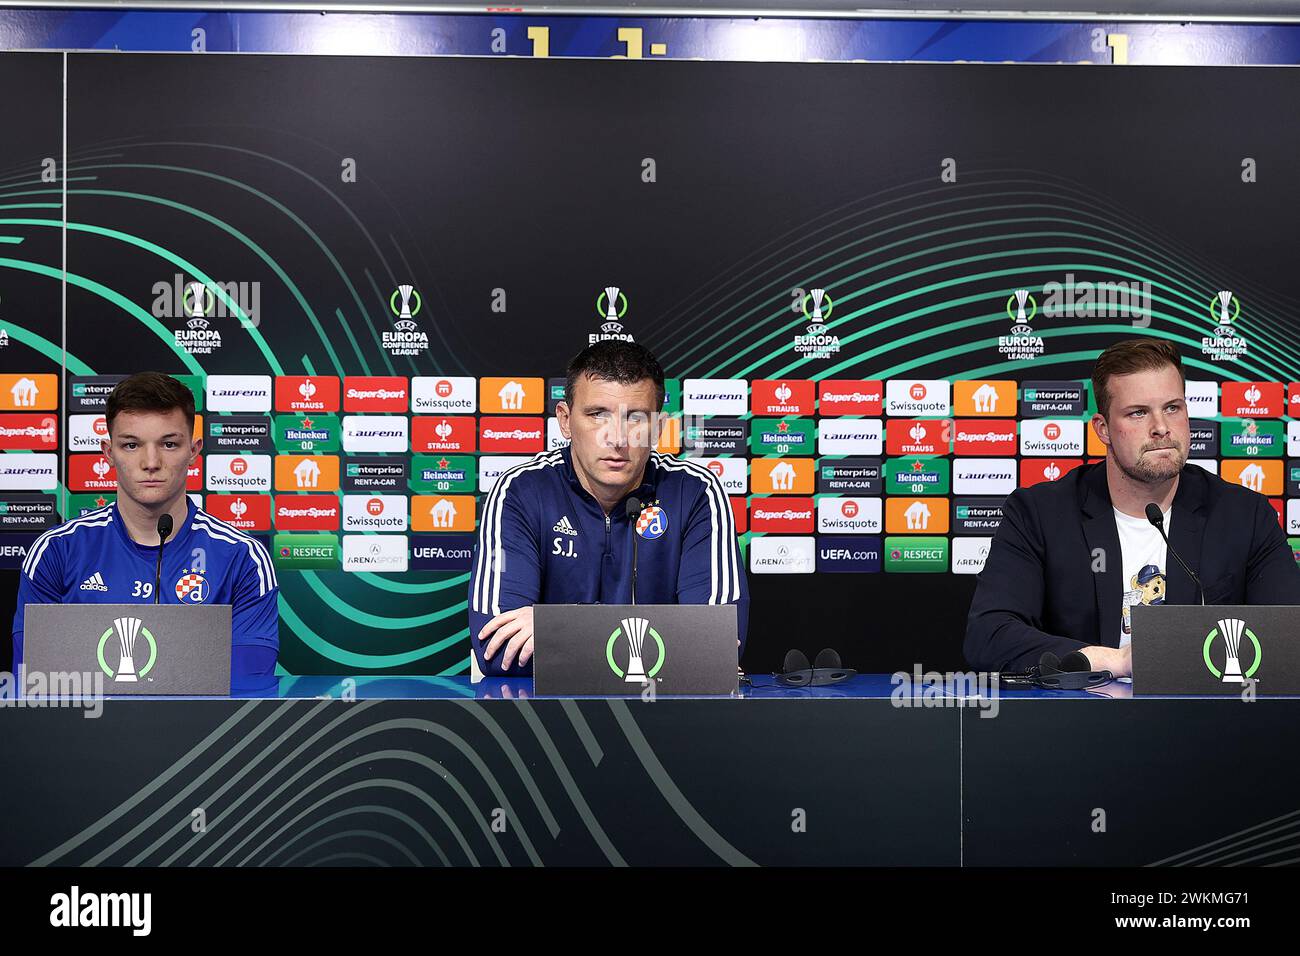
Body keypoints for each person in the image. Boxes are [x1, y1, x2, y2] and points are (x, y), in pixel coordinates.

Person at [965, 339, 1300, 675]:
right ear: (1103, 429)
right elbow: (989, 637)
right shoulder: (1038, 514)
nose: (1161, 428)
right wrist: (1118, 660)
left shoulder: (1245, 515)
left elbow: (1290, 637)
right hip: (1077, 722)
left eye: (1172, 408)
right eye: (1138, 413)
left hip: (1206, 722)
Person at [468, 341, 748, 675]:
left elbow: (715, 647)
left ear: (658, 428)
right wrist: (664, 640)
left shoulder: (695, 492)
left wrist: (555, 625)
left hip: (665, 718)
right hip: (545, 720)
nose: (616, 438)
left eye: (636, 418)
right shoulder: (521, 491)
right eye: (597, 414)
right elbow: (499, 652)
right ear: (565, 420)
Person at [12, 371, 279, 691]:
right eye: (131, 445)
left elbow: (246, 689)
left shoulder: (243, 558)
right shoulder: (56, 551)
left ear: (194, 451)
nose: (150, 462)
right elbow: (34, 684)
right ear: (109, 453)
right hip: (85, 736)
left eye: (169, 444)